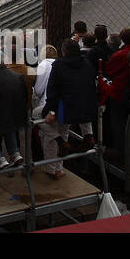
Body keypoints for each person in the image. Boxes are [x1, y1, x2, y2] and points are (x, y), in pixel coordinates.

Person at [40, 40, 98, 178]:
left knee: (40, 119)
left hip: (64, 108)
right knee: (63, 130)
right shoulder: (87, 64)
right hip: (83, 108)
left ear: (64, 52)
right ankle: (59, 167)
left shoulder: (59, 65)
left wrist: (51, 111)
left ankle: (52, 165)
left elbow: (53, 90)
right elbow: (91, 86)